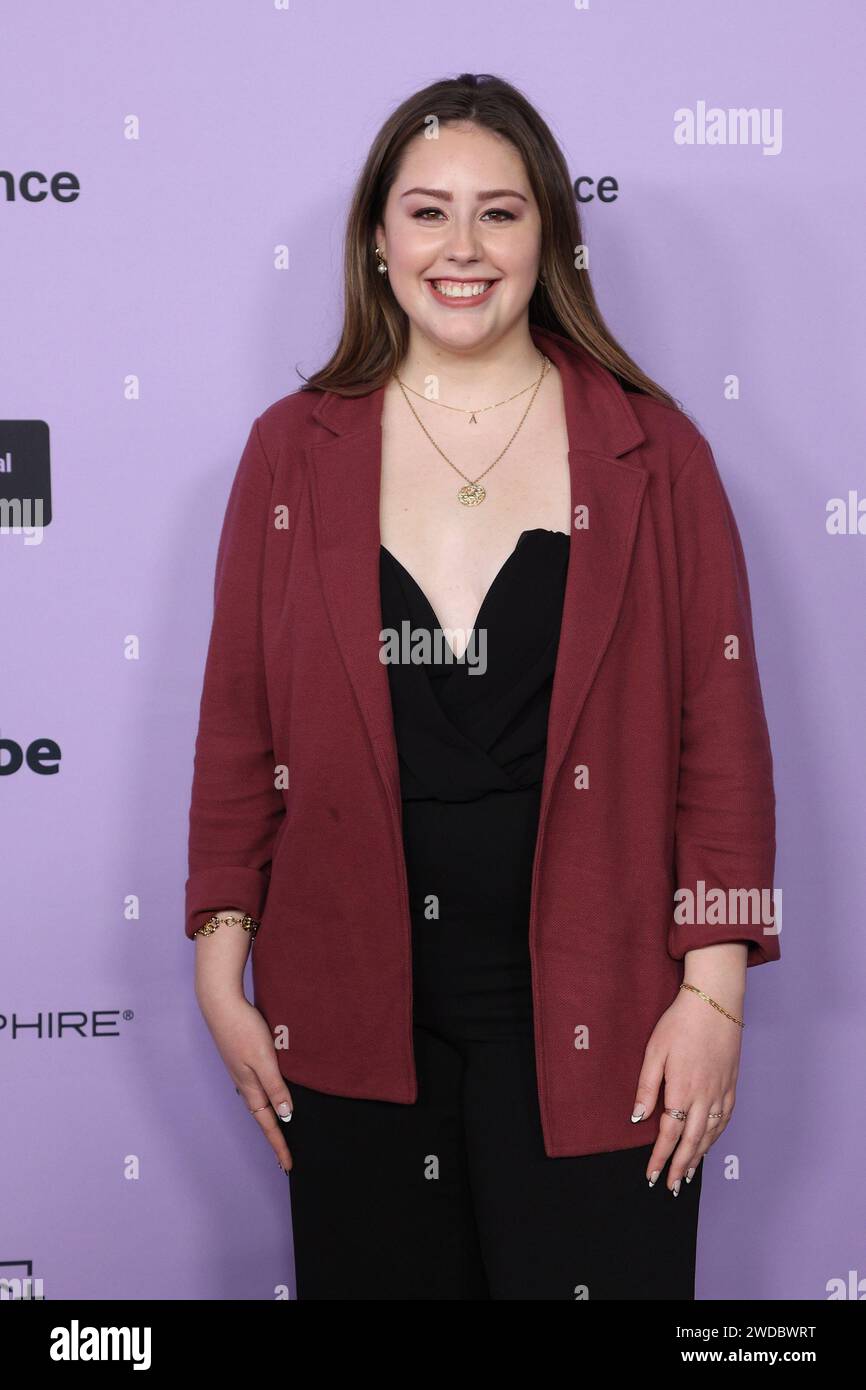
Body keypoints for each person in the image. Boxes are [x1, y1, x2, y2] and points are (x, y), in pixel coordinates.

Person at [185, 73, 780, 1300]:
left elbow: (718, 738)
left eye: (498, 213)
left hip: (609, 1013)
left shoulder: (653, 451)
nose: (460, 248)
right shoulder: (289, 449)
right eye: (426, 211)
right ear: (376, 238)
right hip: (347, 1016)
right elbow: (239, 722)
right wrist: (217, 959)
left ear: (551, 236)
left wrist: (710, 997)